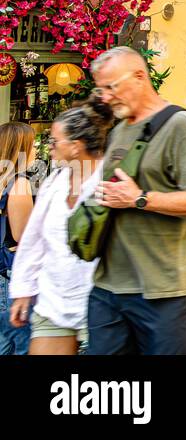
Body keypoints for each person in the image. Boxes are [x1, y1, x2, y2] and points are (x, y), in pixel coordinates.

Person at [87, 46, 186, 355]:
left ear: (139, 77)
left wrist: (140, 199)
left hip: (162, 289)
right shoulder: (119, 130)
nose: (105, 96)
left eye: (111, 87)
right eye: (100, 89)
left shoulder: (179, 126)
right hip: (108, 285)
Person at [8, 101, 114, 354]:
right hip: (53, 298)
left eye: (54, 142)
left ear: (76, 147)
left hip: (102, 302)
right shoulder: (54, 183)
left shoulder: (110, 181)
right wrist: (24, 290)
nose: (49, 148)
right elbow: (33, 239)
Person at [0, 123, 35, 355]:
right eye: (33, 146)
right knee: (21, 345)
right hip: (10, 275)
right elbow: (24, 238)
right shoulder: (19, 184)